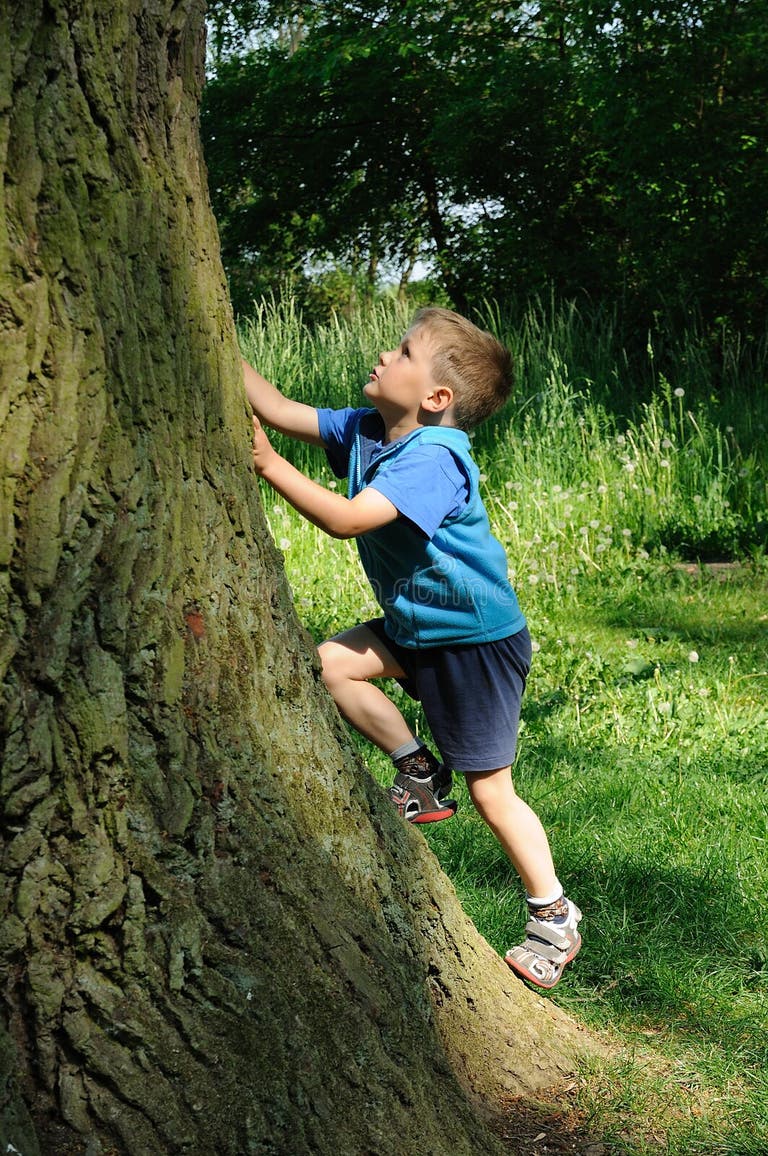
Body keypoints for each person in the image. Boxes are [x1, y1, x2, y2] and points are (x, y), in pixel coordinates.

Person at [244, 306, 581, 989]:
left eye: (401, 352)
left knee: (492, 791)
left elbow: (347, 520)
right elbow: (279, 407)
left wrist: (269, 466)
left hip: (473, 642)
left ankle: (554, 914)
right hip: (416, 624)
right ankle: (418, 774)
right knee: (326, 667)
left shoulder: (433, 459)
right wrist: (213, 336)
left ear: (436, 398)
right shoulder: (368, 428)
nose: (383, 356)